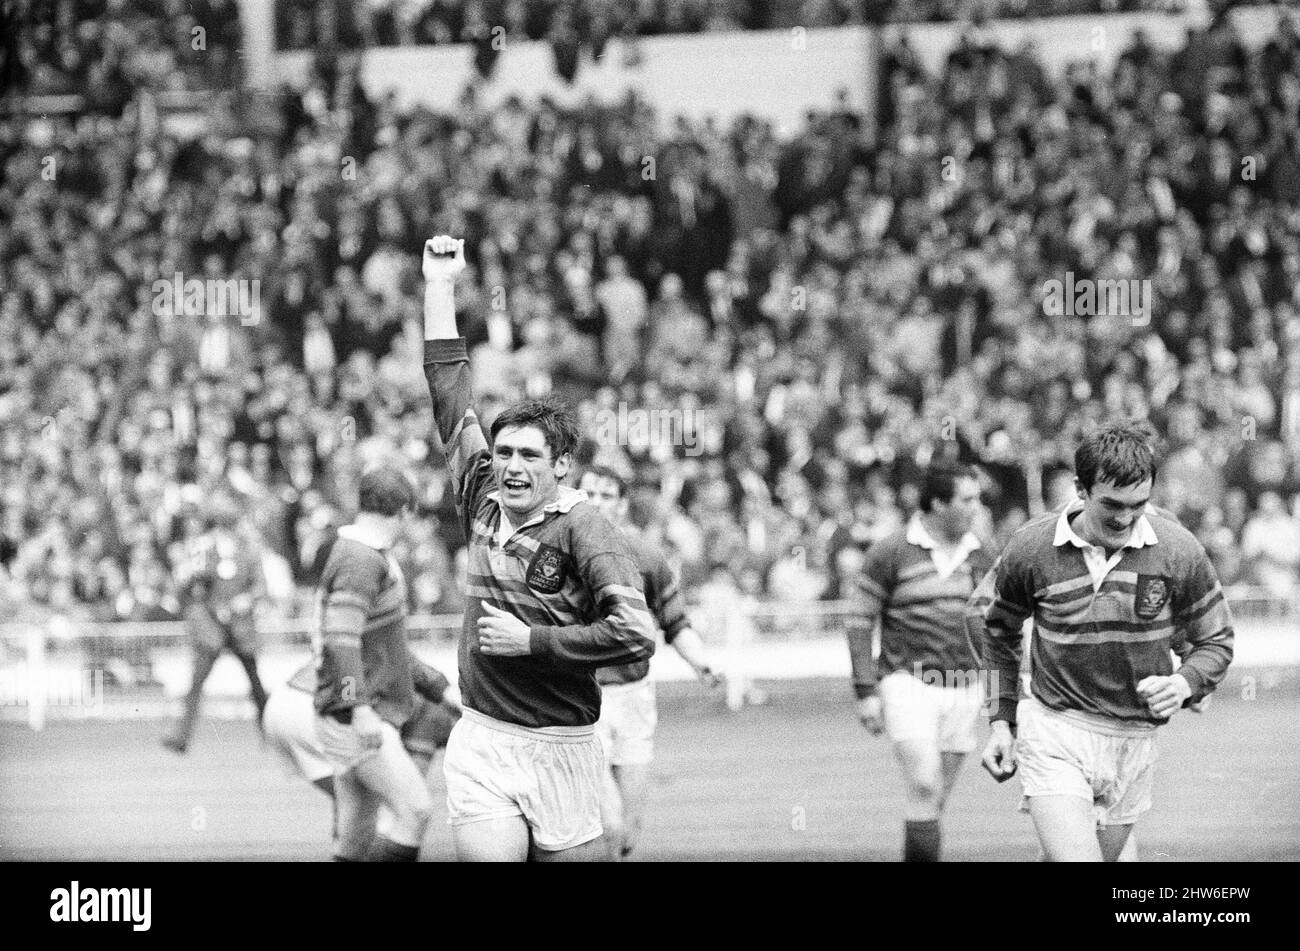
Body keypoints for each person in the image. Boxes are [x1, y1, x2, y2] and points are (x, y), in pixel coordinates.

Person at [421, 234, 657, 862]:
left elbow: (635, 636)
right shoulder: (480, 496)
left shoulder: (587, 529)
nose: (512, 466)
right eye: (503, 453)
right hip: (482, 740)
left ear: (560, 465)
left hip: (564, 744)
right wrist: (439, 284)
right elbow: (447, 384)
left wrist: (534, 642)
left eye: (529, 455)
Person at [967, 420, 1234, 862]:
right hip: (1055, 731)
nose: (1126, 518)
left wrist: (1186, 683)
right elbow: (997, 631)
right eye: (1112, 503)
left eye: (1139, 504)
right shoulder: (1032, 548)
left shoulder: (1177, 548)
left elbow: (1217, 639)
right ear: (1081, 488)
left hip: (1134, 739)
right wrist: (1000, 719)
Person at [845, 462, 994, 861]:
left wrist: (1000, 696)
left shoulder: (982, 555)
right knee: (925, 785)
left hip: (966, 685)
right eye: (967, 500)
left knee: (932, 801)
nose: (976, 508)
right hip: (907, 682)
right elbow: (859, 619)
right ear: (938, 503)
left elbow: (996, 628)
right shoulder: (891, 552)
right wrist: (865, 690)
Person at [578, 465, 721, 861]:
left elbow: (674, 619)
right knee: (608, 823)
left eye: (606, 495)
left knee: (628, 830)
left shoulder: (645, 556)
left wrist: (701, 663)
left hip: (635, 697)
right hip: (582, 700)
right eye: (587, 492)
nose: (595, 502)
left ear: (622, 505)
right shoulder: (559, 554)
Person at [312, 463, 438, 862]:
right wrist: (360, 707)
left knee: (355, 841)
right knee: (415, 810)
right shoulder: (361, 559)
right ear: (404, 511)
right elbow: (340, 639)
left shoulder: (360, 553)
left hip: (348, 712)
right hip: (355, 715)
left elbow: (383, 647)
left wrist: (438, 687)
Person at [163, 508, 269, 754]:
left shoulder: (248, 553)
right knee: (196, 683)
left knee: (256, 684)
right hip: (214, 628)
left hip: (240, 628)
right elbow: (192, 587)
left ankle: (271, 734)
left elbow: (260, 587)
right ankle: (181, 736)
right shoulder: (206, 554)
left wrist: (245, 599)